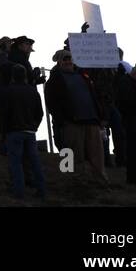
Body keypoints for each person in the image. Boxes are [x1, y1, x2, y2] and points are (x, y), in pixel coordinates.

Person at [46, 51, 107, 183]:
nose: (68, 62)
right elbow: (52, 102)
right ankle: (69, 180)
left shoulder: (83, 76)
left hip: (91, 120)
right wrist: (61, 120)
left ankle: (99, 180)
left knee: (96, 153)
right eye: (65, 59)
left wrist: (100, 115)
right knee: (70, 152)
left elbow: (94, 96)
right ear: (59, 62)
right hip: (71, 122)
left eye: (70, 59)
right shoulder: (55, 79)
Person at [0, 64, 46, 200]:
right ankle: (41, 190)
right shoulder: (33, 91)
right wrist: (34, 126)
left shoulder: (8, 91)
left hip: (14, 132)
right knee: (35, 162)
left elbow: (4, 112)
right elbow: (40, 113)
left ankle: (19, 191)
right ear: (25, 76)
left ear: (13, 76)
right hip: (30, 132)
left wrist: (6, 130)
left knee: (16, 163)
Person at [114, 64, 136, 184]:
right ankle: (135, 177)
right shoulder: (126, 83)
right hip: (131, 120)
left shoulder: (127, 83)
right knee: (134, 150)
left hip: (132, 120)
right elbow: (128, 101)